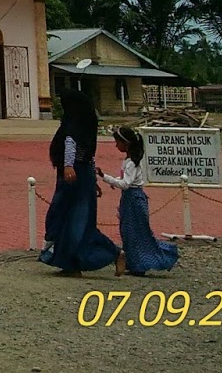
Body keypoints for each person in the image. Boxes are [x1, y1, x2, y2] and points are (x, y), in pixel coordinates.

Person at [40, 90, 121, 275]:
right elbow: (90, 155)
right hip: (82, 175)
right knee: (72, 220)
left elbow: (70, 142)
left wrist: (68, 166)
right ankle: (71, 264)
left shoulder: (73, 124)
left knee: (73, 219)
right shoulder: (87, 124)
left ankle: (112, 253)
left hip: (73, 175)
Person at [103, 125, 179, 277]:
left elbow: (126, 183)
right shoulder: (131, 161)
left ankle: (140, 263)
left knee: (133, 232)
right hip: (131, 198)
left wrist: (106, 177)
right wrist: (114, 181)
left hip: (133, 199)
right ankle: (135, 262)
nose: (116, 145)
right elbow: (127, 180)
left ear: (126, 144)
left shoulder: (131, 163)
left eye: (118, 142)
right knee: (132, 232)